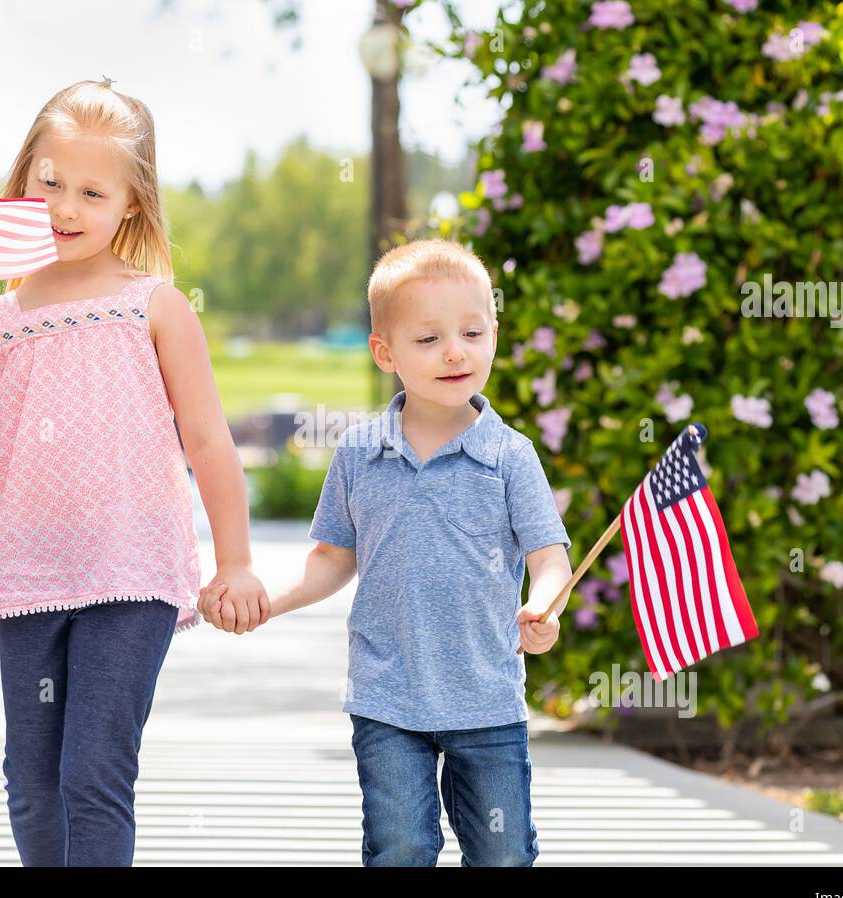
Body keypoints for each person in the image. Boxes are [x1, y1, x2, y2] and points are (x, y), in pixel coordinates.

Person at [0, 78, 269, 866]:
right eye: (50, 183)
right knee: (31, 779)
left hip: (134, 572)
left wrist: (237, 560)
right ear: (22, 182)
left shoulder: (155, 306)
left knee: (93, 769)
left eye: (92, 191)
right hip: (29, 576)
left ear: (131, 207)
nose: (66, 208)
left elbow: (210, 442)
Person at [199, 238, 574, 866]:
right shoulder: (358, 453)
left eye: (472, 332)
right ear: (385, 352)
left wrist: (543, 608)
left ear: (494, 335)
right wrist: (272, 600)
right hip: (387, 697)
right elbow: (332, 557)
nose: (455, 351)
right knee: (399, 846)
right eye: (427, 340)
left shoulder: (511, 456)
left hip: (485, 697)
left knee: (503, 853)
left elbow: (548, 556)